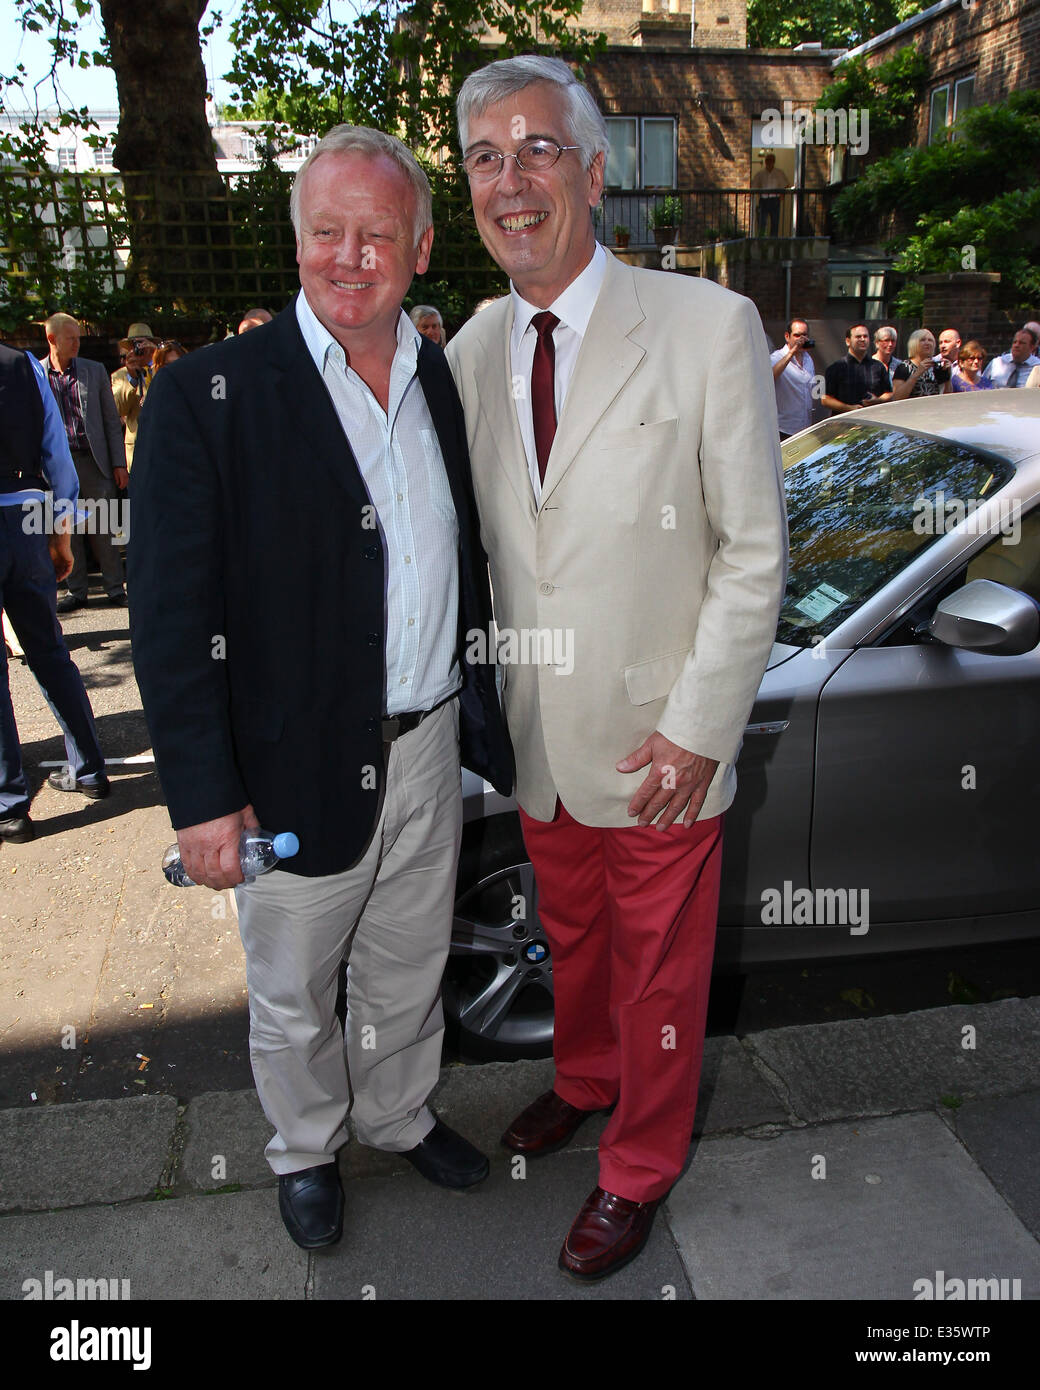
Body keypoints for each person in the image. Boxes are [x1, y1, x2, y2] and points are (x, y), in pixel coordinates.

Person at [128, 124, 512, 1253]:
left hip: (430, 738)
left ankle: (394, 1114)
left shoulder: (443, 380)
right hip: (285, 760)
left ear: (423, 247)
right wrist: (202, 796)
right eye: (326, 232)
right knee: (294, 988)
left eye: (377, 234)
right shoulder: (209, 396)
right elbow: (166, 616)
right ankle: (303, 1147)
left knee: (405, 962)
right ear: (294, 241)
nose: (350, 256)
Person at [446, 56, 787, 1282]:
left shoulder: (705, 326)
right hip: (540, 736)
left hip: (660, 739)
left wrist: (699, 726)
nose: (510, 179)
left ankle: (637, 1165)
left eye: (537, 148)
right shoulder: (473, 347)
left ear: (594, 171)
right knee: (572, 940)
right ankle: (584, 1083)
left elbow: (751, 555)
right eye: (484, 157)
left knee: (655, 968)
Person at [1, 345, 111, 842]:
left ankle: (10, 803)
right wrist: (61, 533)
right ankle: (90, 769)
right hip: (24, 515)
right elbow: (56, 452)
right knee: (49, 650)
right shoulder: (23, 365)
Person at [39, 313, 128, 612]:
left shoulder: (93, 370)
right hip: (56, 466)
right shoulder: (36, 374)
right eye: (71, 338)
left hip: (93, 461)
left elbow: (110, 421)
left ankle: (115, 587)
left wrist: (119, 464)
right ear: (52, 339)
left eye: (79, 337)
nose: (78, 343)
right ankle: (76, 591)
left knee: (103, 527)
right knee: (65, 530)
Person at [822, 323, 893, 414]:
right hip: (844, 422)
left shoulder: (879, 367)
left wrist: (877, 400)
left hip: (873, 422)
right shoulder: (836, 368)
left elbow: (889, 393)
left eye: (865, 336)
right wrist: (849, 408)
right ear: (848, 341)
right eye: (858, 337)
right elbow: (826, 400)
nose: (863, 339)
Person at [110, 336, 152, 469]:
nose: (140, 351)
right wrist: (132, 379)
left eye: (144, 346)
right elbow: (117, 409)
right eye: (136, 347)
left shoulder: (163, 369)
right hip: (137, 451)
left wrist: (152, 363)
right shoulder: (120, 376)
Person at [770, 317, 815, 439]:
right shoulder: (776, 357)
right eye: (797, 335)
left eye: (805, 335)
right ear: (787, 336)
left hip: (804, 428)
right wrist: (791, 353)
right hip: (783, 429)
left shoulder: (808, 359)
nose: (801, 339)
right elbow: (770, 377)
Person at [891, 328, 953, 400]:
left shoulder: (936, 367)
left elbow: (947, 398)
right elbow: (897, 397)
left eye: (930, 340)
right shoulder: (904, 367)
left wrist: (948, 375)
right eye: (922, 340)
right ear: (914, 344)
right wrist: (917, 374)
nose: (927, 343)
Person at [751, 152, 787, 237]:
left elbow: (785, 185)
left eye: (770, 160)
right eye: (767, 160)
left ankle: (773, 240)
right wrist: (758, 194)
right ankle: (762, 239)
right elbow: (754, 185)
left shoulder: (779, 173)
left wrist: (782, 196)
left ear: (774, 161)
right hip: (764, 200)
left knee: (775, 222)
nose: (768, 162)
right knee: (762, 222)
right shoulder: (760, 174)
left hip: (775, 200)